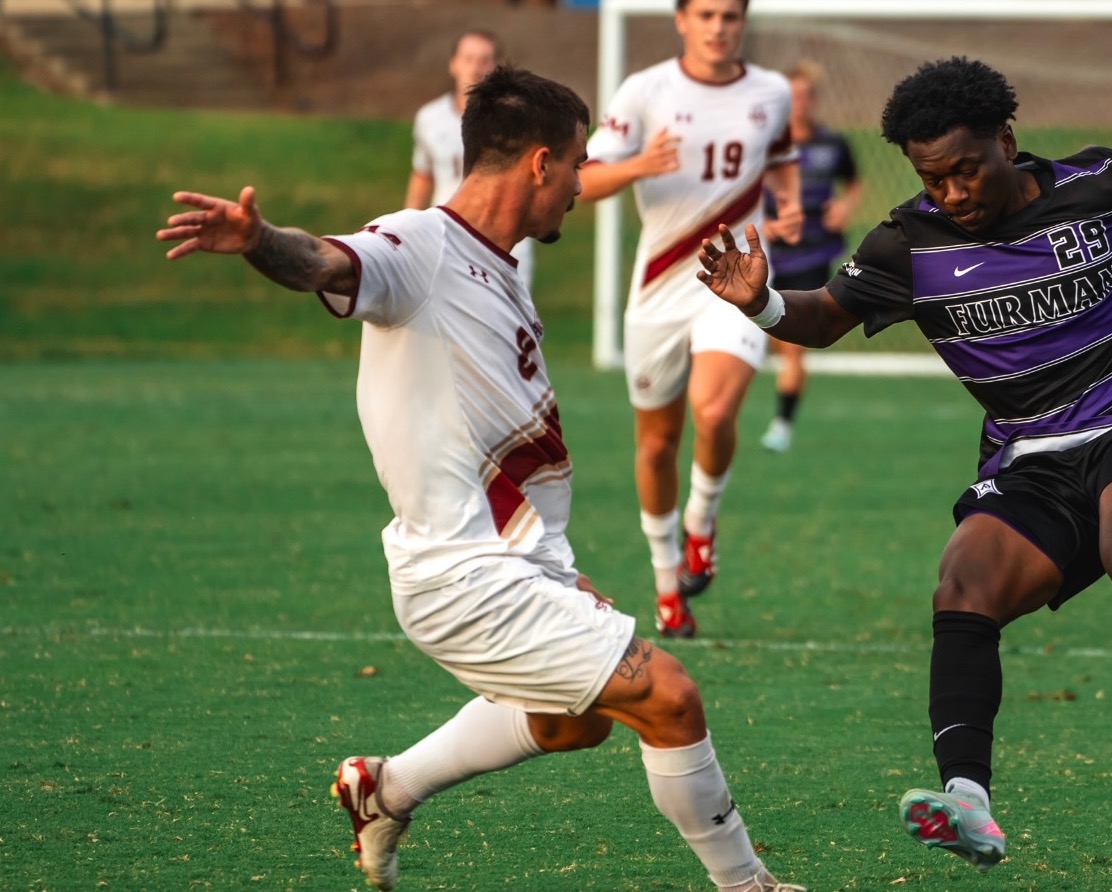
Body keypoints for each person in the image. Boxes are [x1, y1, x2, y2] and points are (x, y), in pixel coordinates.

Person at [156, 65, 804, 892]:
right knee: (669, 696)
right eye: (574, 166)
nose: (579, 185)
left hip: (516, 562)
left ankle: (384, 789)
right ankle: (747, 886)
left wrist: (557, 573)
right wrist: (257, 242)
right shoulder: (419, 245)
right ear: (539, 164)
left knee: (573, 726)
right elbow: (326, 262)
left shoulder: (496, 268)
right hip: (458, 576)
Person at [697, 57, 1112, 877]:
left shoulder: (1098, 185)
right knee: (961, 582)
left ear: (1006, 141)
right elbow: (827, 317)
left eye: (967, 168)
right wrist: (760, 302)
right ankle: (967, 800)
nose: (953, 191)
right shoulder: (909, 245)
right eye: (932, 177)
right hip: (1029, 451)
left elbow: (1101, 174)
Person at [580, 0, 803, 639]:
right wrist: (639, 165)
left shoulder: (771, 92)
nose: (717, 26)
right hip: (657, 289)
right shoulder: (645, 90)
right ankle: (666, 583)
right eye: (705, 14)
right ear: (681, 20)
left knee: (715, 411)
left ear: (743, 22)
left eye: (729, 15)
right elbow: (584, 180)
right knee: (655, 444)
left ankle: (701, 523)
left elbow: (781, 160)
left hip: (730, 282)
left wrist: (786, 207)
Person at [759, 59, 863, 454]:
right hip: (766, 255)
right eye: (792, 96)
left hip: (813, 254)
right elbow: (742, 197)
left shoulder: (832, 143)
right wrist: (765, 226)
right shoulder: (765, 145)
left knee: (793, 343)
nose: (799, 103)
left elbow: (853, 184)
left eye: (805, 96)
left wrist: (844, 207)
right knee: (768, 339)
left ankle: (782, 425)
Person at [407, 30, 536, 292]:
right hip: (446, 230)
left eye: (484, 60)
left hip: (504, 234)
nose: (475, 68)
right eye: (468, 59)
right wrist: (409, 226)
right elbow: (423, 175)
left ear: (496, 67)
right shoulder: (430, 118)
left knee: (507, 321)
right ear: (454, 64)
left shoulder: (517, 118)